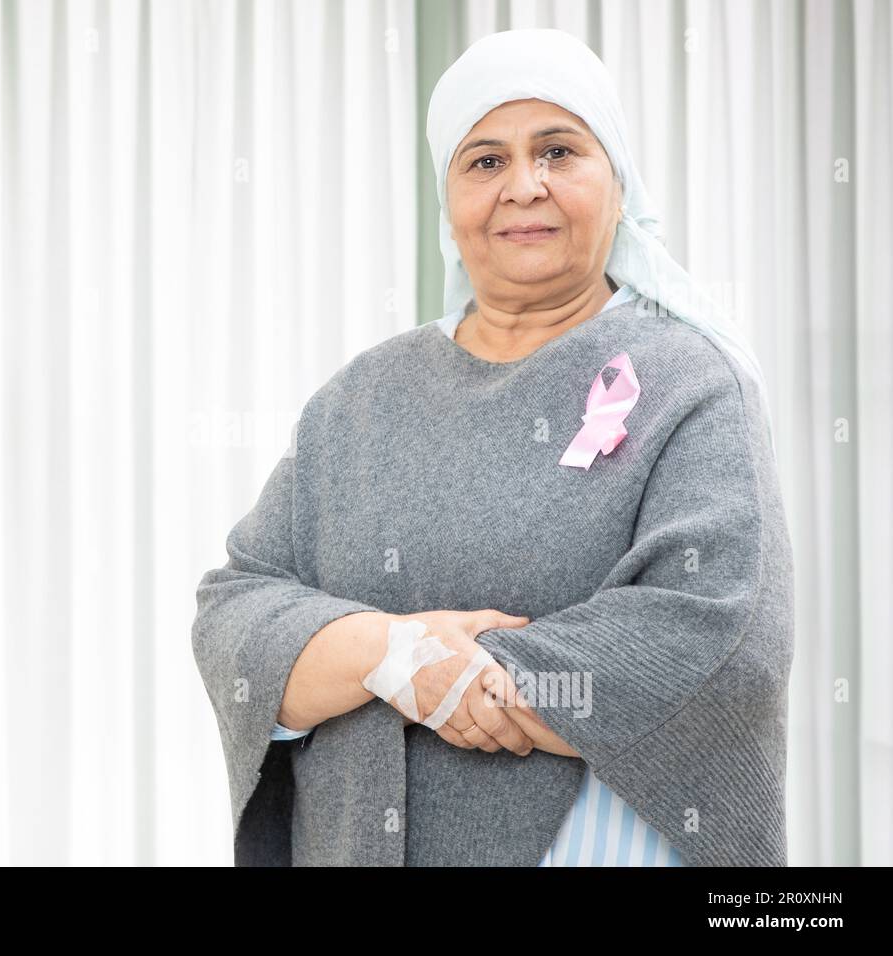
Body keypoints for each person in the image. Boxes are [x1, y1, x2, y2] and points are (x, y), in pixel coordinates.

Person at [191, 28, 794, 866]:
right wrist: (387, 653)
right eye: (484, 161)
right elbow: (237, 605)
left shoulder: (690, 381)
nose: (523, 187)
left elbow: (715, 635)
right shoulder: (362, 397)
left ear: (618, 184)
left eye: (558, 150)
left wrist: (449, 679)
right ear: (450, 203)